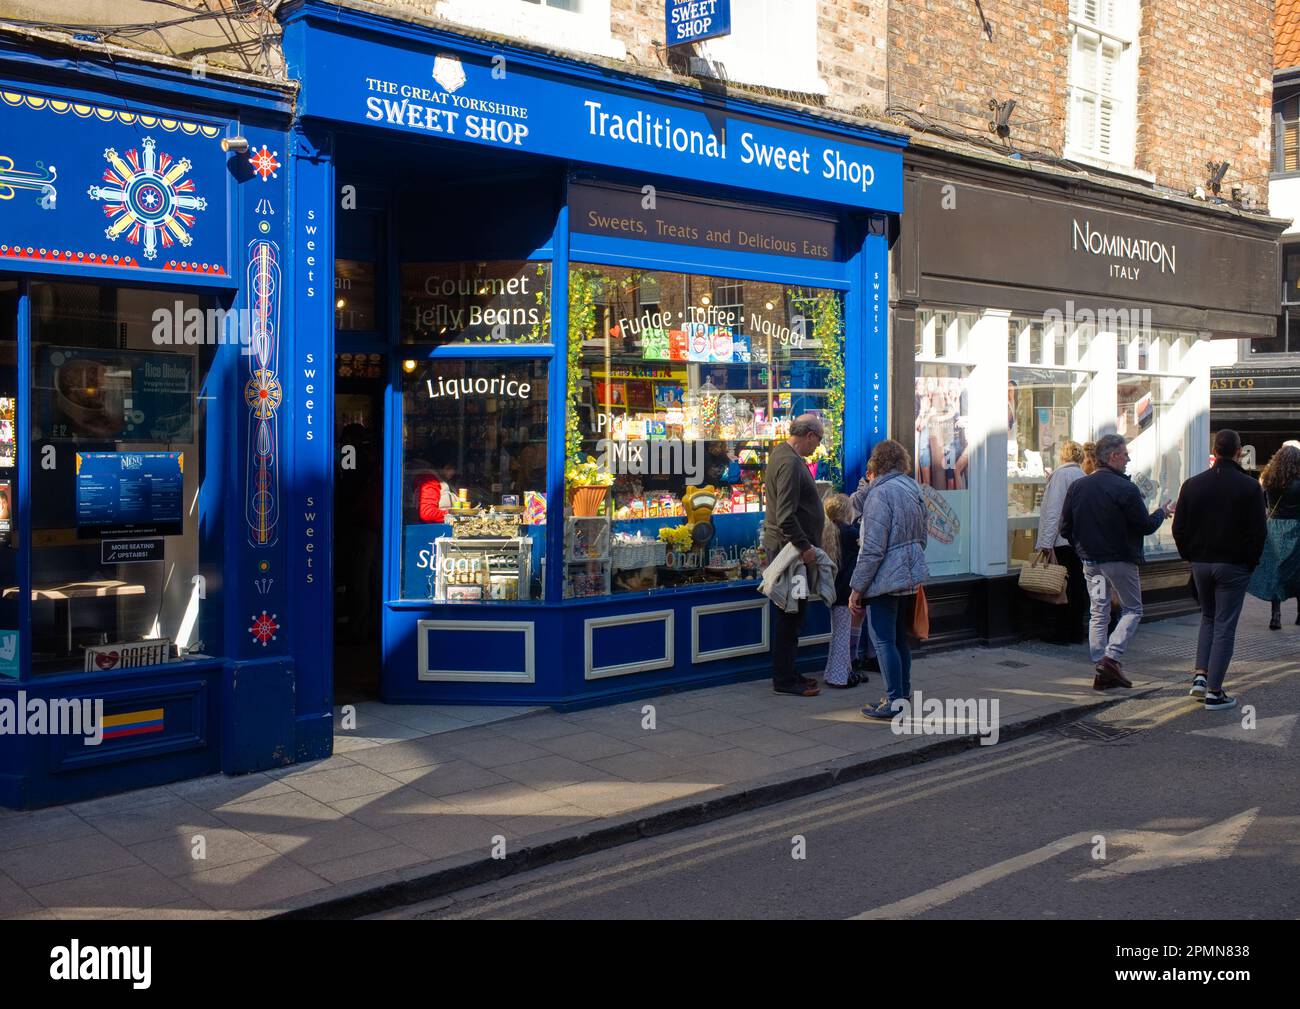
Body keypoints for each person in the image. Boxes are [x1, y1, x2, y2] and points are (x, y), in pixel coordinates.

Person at [1060, 433, 1172, 690]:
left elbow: (1065, 527)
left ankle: (1101, 665)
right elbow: (1145, 526)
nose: (1128, 459)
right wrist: (1161, 512)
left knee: (1099, 610)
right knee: (1133, 610)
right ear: (1113, 456)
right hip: (1119, 562)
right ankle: (1111, 657)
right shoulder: (1125, 488)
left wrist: (1081, 547)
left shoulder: (1079, 486)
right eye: (1125, 454)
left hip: (1092, 563)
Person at [1172, 429, 1267, 711]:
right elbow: (1258, 533)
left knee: (1208, 619)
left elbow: (1178, 528)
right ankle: (1215, 692)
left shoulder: (1192, 484)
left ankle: (1200, 677)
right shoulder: (1250, 487)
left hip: (1200, 563)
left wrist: (1190, 555)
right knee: (1225, 625)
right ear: (1239, 451)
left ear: (1216, 449)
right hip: (1233, 565)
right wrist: (1250, 562)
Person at [848, 439, 929, 720]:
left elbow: (872, 548)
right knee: (899, 639)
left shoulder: (881, 494)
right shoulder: (912, 487)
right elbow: (923, 536)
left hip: (884, 577)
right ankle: (903, 696)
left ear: (876, 464)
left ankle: (895, 701)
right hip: (909, 574)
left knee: (883, 640)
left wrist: (857, 588)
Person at [762, 414, 827, 697]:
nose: (818, 447)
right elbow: (786, 515)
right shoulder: (789, 462)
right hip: (792, 555)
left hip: (790, 550)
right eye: (819, 440)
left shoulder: (781, 453)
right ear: (810, 435)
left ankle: (789, 672)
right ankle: (785, 679)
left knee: (792, 612)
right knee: (791, 612)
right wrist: (806, 548)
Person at [1035, 439, 1088, 644]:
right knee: (1077, 587)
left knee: (1060, 587)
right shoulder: (1081, 475)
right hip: (1078, 542)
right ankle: (1076, 631)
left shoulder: (1061, 475)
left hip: (1061, 541)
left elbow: (1054, 511)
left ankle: (1062, 632)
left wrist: (1046, 543)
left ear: (1063, 455)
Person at [1248, 443, 1300, 630]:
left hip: (1274, 529)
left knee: (1276, 572)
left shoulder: (1269, 480)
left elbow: (1264, 506)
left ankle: (1275, 616)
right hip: (1295, 528)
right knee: (1297, 571)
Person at [821, 493, 867, 689]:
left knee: (838, 633)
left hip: (834, 590)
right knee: (842, 636)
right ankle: (839, 677)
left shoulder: (830, 531)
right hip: (846, 592)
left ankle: (838, 672)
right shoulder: (849, 532)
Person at [417, 445, 459, 522]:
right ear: (440, 465)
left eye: (454, 468)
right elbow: (427, 513)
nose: (453, 472)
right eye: (449, 468)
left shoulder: (442, 479)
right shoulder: (430, 480)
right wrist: (454, 515)